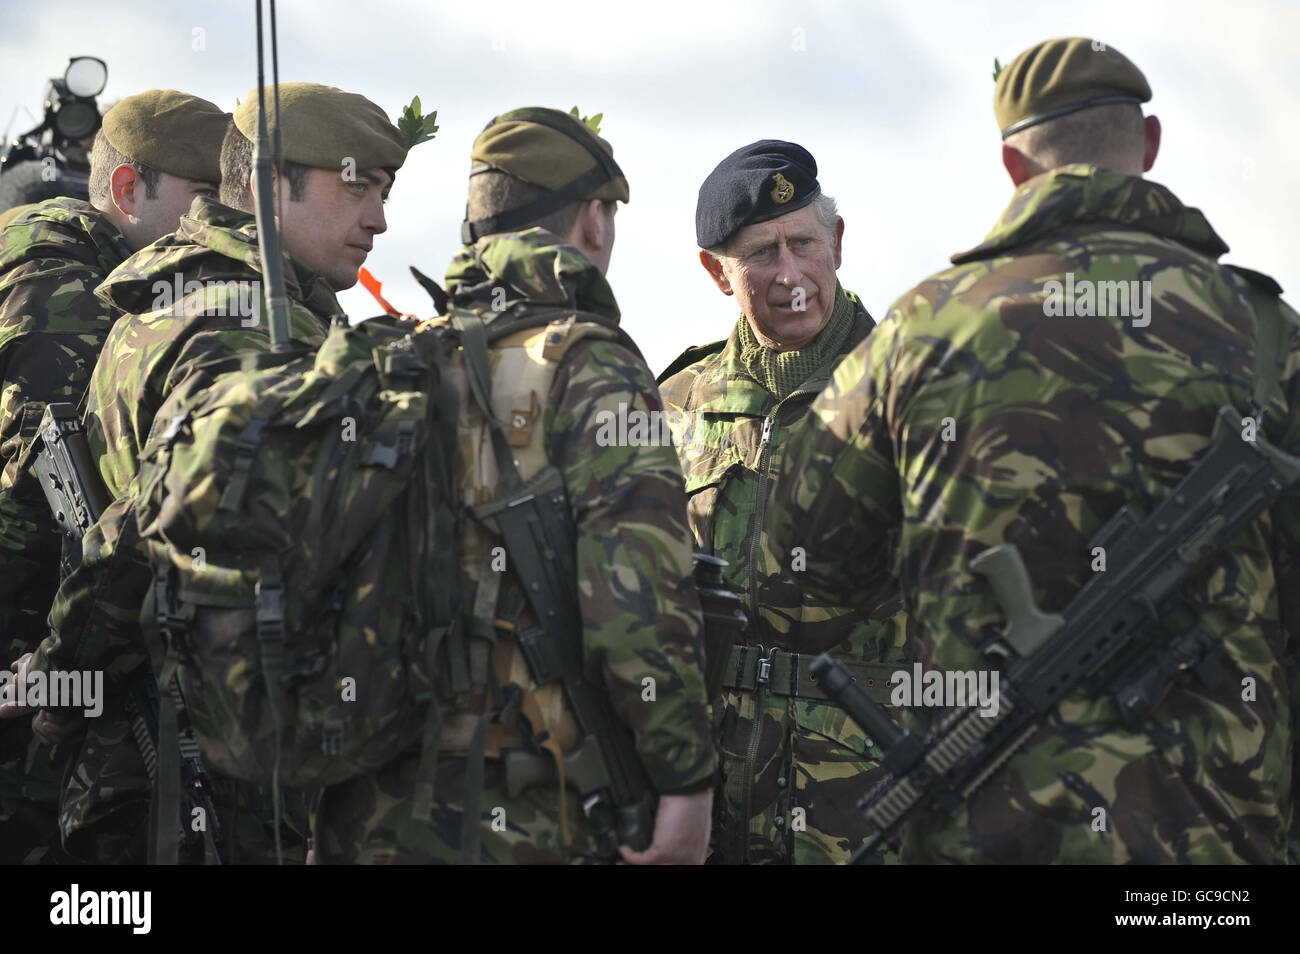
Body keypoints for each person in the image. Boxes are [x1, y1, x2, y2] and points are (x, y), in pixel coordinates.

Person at [770, 36, 1298, 863]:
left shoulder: (919, 332)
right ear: (1149, 145)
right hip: (1215, 847)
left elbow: (803, 562)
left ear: (1013, 166)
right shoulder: (1267, 334)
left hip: (986, 835)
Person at [2, 81, 410, 863]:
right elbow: (148, 524)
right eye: (355, 185)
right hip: (203, 778)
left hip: (149, 765)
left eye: (386, 191)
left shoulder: (156, 305)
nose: (379, 218)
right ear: (266, 186)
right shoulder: (248, 331)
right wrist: (66, 666)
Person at [315, 106, 717, 864]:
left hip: (365, 807)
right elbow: (635, 607)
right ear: (593, 223)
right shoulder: (590, 365)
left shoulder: (388, 361)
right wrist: (686, 782)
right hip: (534, 811)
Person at [656, 140, 914, 864]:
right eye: (762, 254)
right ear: (717, 272)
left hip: (867, 796)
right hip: (705, 802)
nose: (791, 274)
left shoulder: (912, 385)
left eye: (804, 242)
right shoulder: (674, 403)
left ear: (837, 241)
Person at [0, 89, 227, 863]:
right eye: (207, 202)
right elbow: (56, 512)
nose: (228, 226)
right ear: (127, 192)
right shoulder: (66, 299)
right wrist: (58, 671)